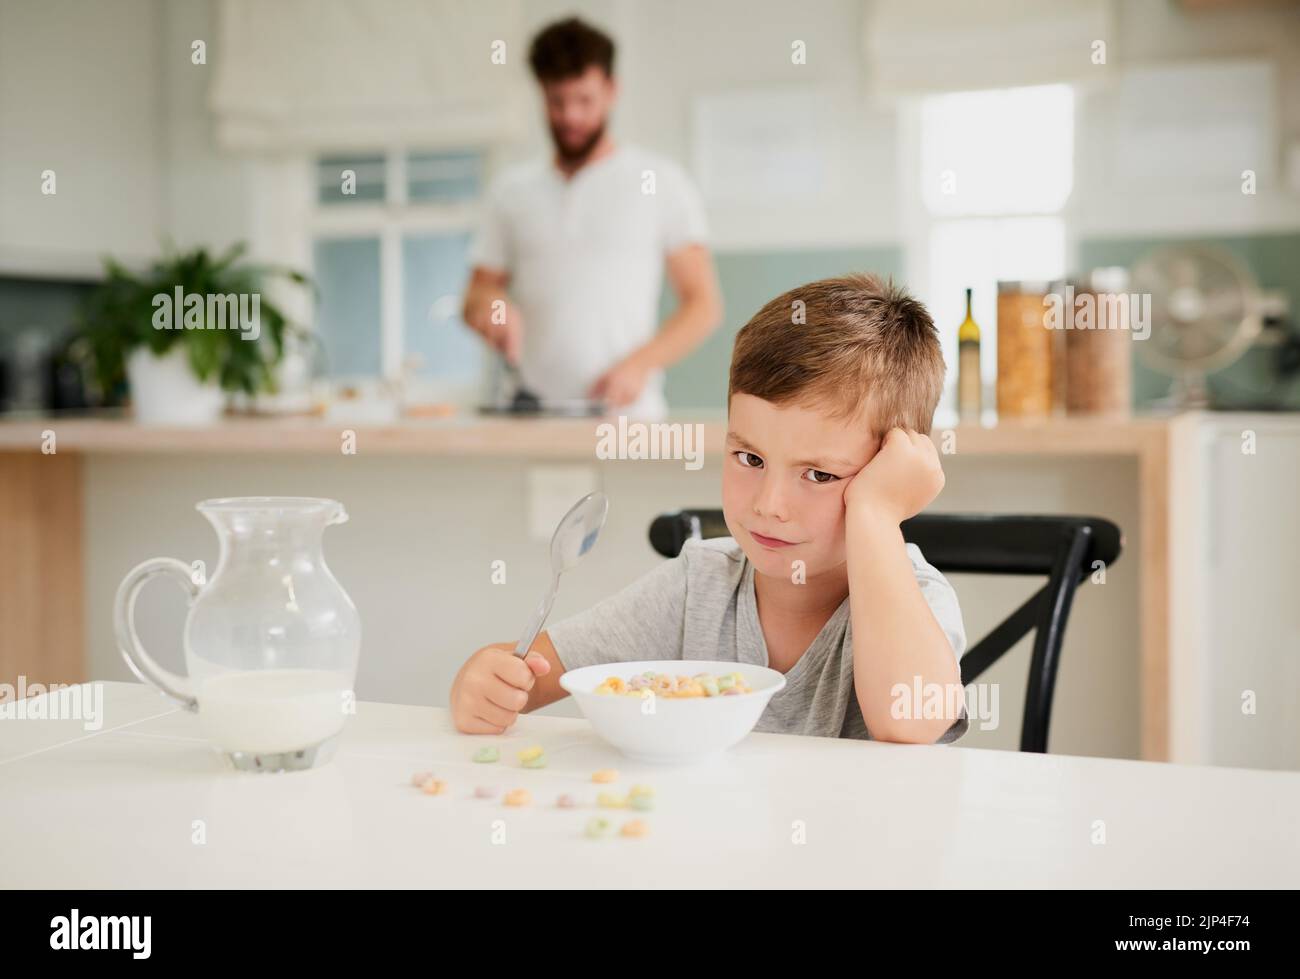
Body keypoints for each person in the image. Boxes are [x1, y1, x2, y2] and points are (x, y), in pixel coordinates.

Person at [451, 274, 968, 744]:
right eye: (749, 458)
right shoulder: (698, 586)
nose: (769, 505)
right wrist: (486, 680)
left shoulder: (916, 598)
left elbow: (909, 722)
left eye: (819, 475)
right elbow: (529, 672)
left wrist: (877, 516)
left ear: (891, 470)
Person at [462, 17, 721, 419]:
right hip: (529, 416)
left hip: (629, 420)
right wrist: (493, 308)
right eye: (556, 102)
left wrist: (639, 364)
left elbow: (702, 305)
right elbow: (477, 295)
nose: (570, 117)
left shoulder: (660, 182)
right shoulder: (511, 192)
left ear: (611, 91)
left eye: (584, 100)